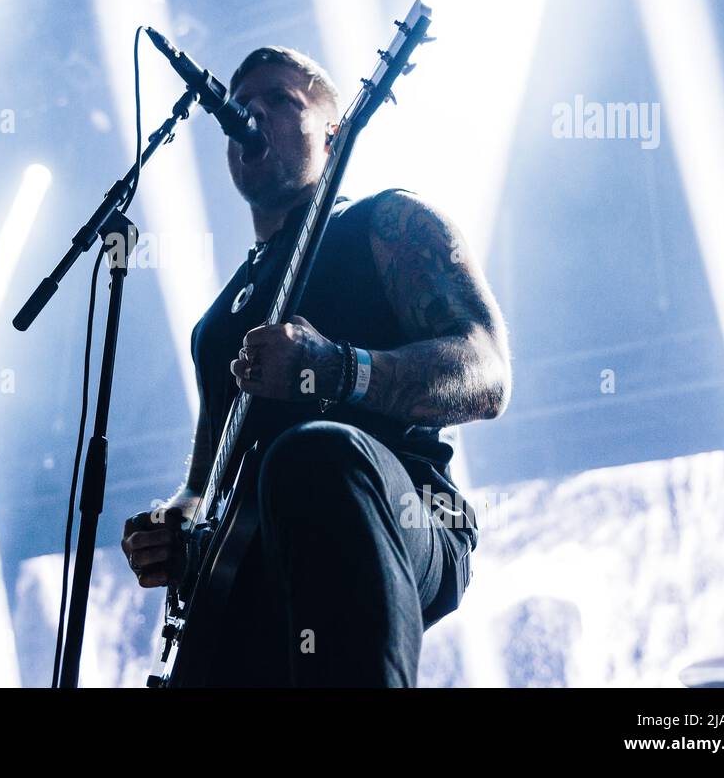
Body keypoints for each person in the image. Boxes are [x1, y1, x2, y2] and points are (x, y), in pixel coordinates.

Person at [120, 46, 511, 686]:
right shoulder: (220, 322)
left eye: (281, 101)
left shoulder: (386, 223)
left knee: (314, 455)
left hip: (401, 511)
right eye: (242, 105)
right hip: (250, 556)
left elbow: (488, 373)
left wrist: (335, 369)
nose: (252, 114)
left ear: (334, 131)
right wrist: (174, 524)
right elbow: (205, 480)